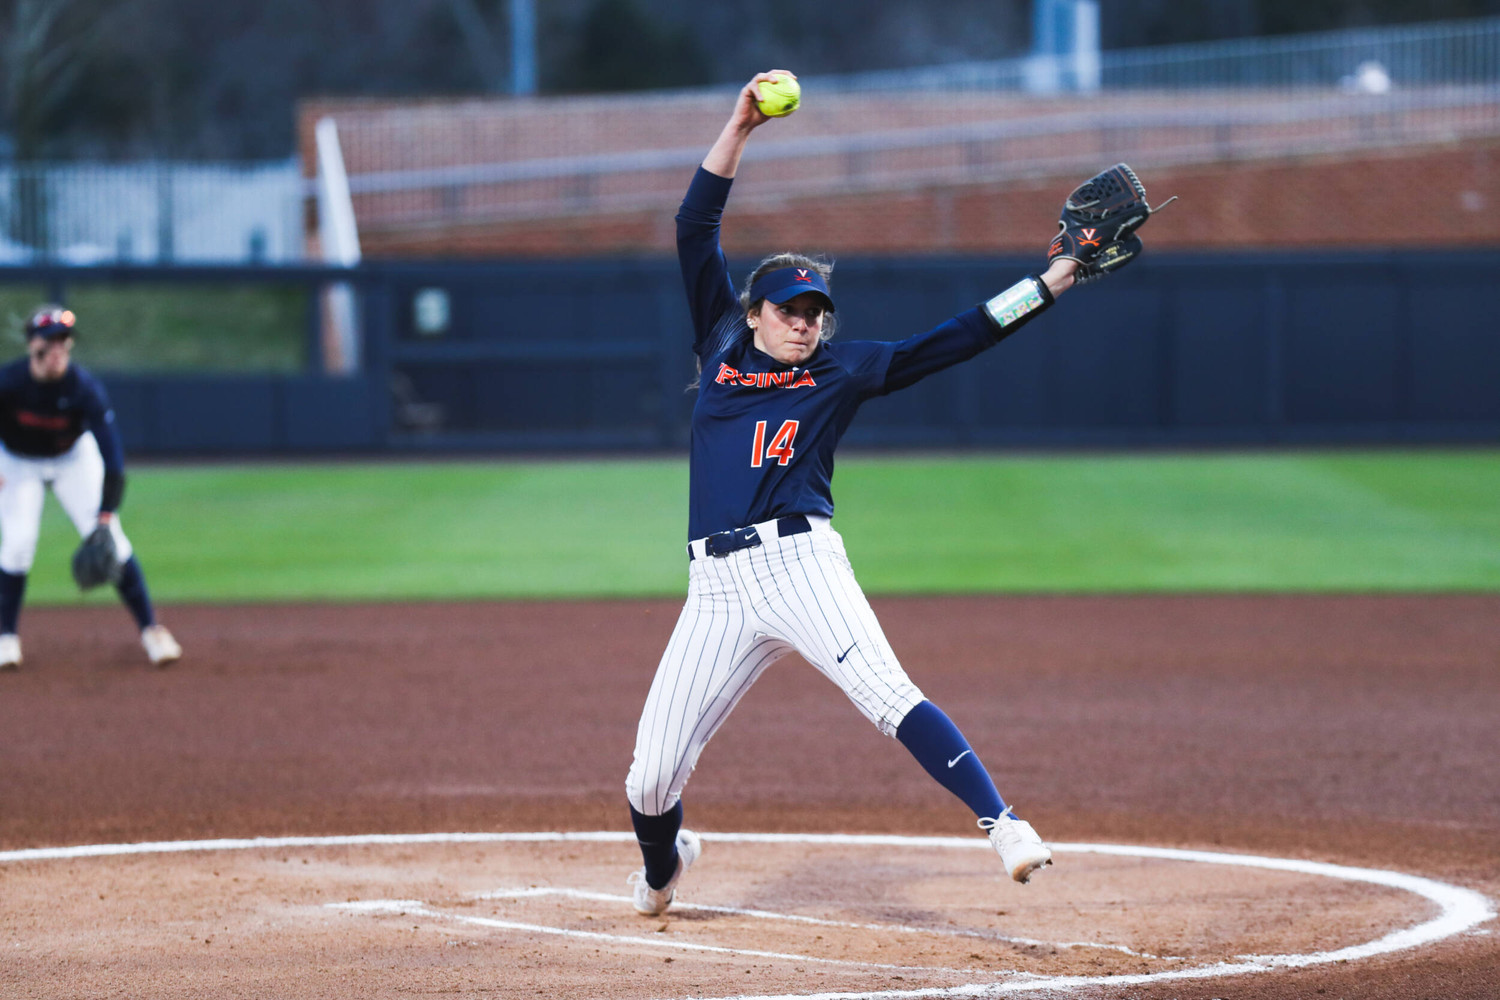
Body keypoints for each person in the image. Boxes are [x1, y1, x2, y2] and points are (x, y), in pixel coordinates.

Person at [623, 70, 1123, 917]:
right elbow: (693, 225)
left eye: (814, 310)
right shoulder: (720, 344)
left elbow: (956, 338)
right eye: (788, 309)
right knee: (650, 775)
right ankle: (664, 869)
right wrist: (738, 127)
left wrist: (1054, 279)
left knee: (889, 694)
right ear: (754, 314)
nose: (804, 321)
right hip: (714, 587)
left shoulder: (841, 370)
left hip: (802, 564)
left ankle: (1003, 823)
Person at [0, 306, 181, 670]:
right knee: (17, 545)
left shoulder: (83, 388)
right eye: (50, 340)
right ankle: (6, 638)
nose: (57, 348)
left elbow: (113, 459)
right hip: (18, 461)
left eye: (63, 341)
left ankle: (153, 631)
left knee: (112, 541)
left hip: (72, 459)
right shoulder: (10, 382)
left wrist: (104, 514)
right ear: (32, 344)